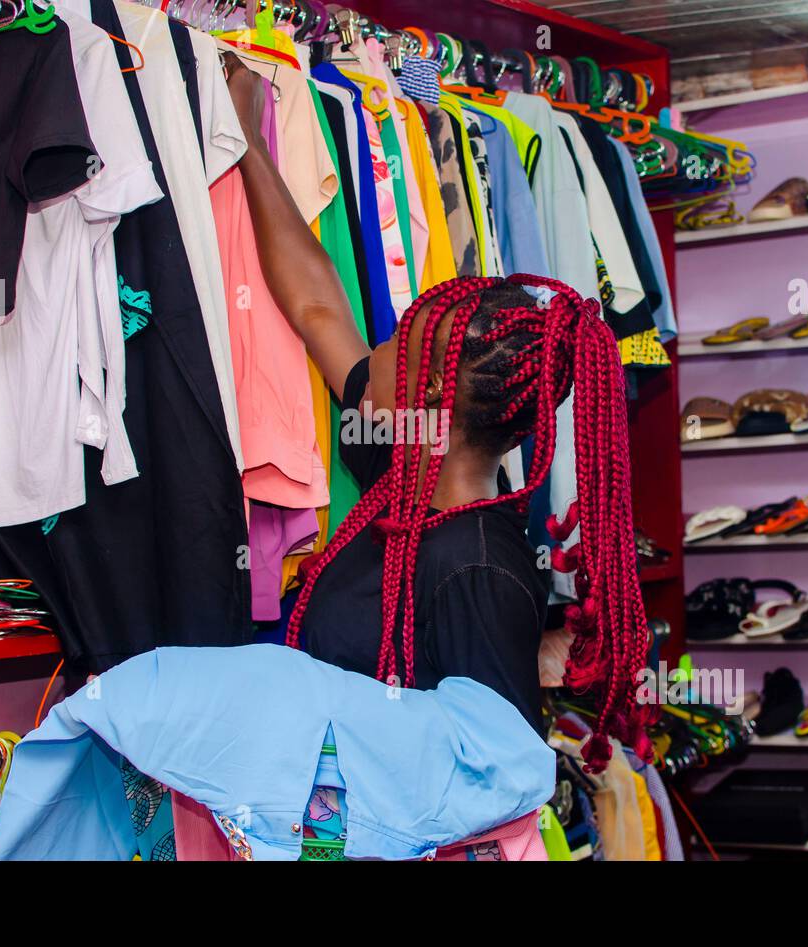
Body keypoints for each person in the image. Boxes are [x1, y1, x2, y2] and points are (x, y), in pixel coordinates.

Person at [223, 54, 649, 769]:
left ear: (429, 400)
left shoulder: (476, 569)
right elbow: (318, 303)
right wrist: (247, 143)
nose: (377, 345)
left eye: (399, 342)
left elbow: (499, 783)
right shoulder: (402, 470)